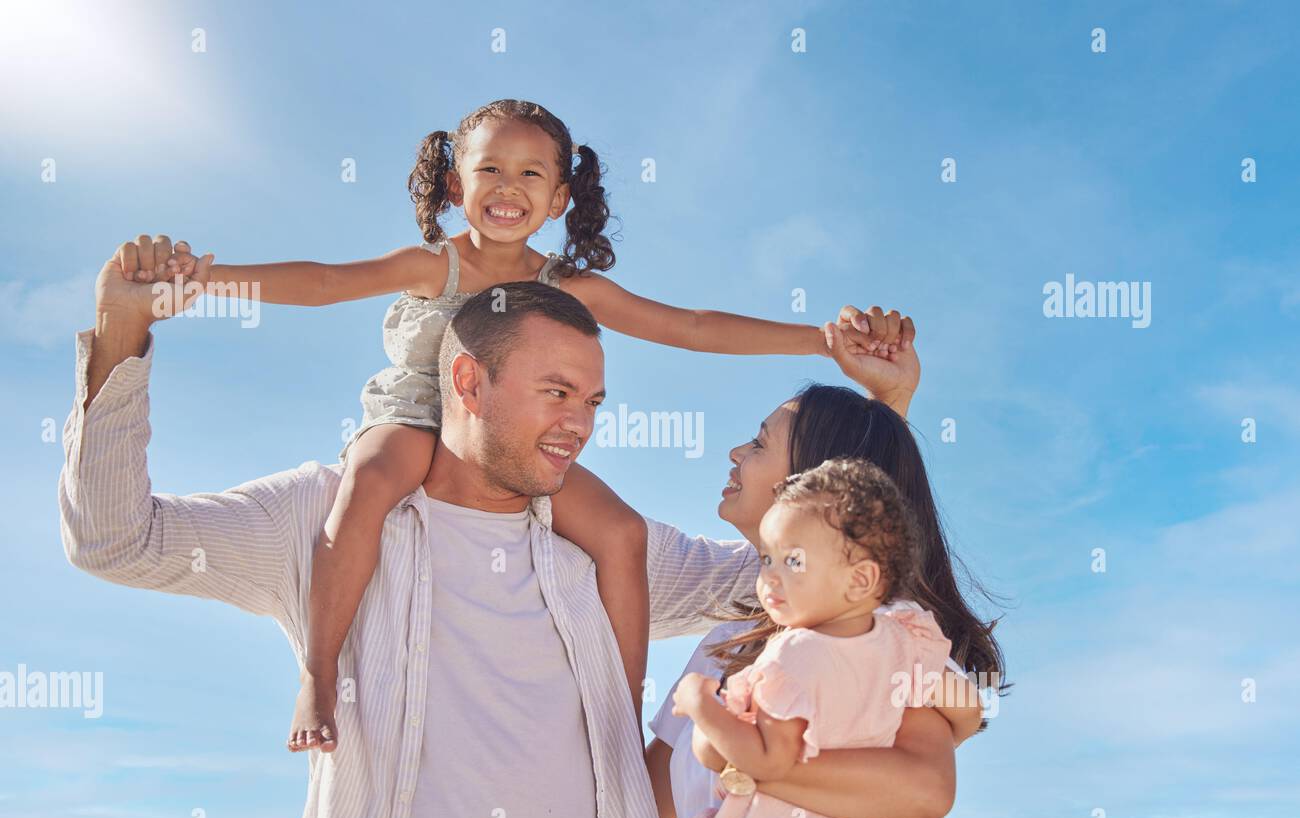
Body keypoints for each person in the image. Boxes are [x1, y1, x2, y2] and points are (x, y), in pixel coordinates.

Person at [120, 98, 891, 755]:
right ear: (457, 184)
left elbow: (688, 325)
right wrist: (207, 281)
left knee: (620, 533)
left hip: (513, 443)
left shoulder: (568, 284)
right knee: (366, 486)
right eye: (489, 169)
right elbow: (324, 281)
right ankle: (317, 680)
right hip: (417, 414)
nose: (507, 187)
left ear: (558, 198)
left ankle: (616, 721)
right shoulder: (436, 265)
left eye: (530, 174)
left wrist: (820, 340)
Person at [645, 349, 1005, 818]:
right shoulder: (728, 644)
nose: (735, 451)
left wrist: (759, 761)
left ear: (813, 481)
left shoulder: (874, 631)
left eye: (759, 443)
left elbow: (926, 787)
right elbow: (639, 802)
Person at [675, 458, 975, 818]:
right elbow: (970, 711)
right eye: (767, 560)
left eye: (793, 561)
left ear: (860, 580)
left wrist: (699, 703)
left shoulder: (793, 654)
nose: (770, 578)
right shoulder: (904, 638)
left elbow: (767, 758)